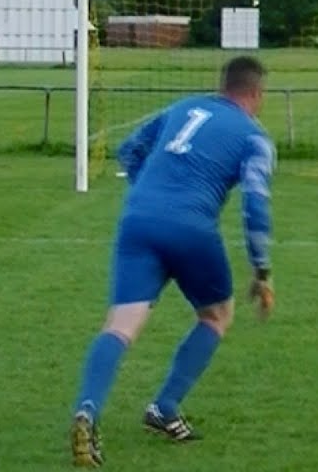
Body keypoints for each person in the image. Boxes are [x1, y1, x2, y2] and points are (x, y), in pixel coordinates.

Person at [67, 56, 278, 468]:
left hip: (138, 220)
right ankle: (164, 407)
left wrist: (152, 190)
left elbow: (130, 150)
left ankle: (86, 411)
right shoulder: (255, 137)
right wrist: (262, 269)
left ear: (223, 86)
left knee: (120, 325)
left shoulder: (182, 107)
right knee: (216, 316)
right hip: (191, 228)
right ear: (256, 93)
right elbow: (255, 205)